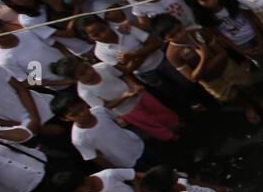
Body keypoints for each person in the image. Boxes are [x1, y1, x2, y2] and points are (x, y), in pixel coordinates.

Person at [151, 14, 263, 125]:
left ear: (181, 24)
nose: (180, 35)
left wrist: (203, 69)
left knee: (247, 84)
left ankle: (259, 98)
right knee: (231, 96)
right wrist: (204, 58)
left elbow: (222, 53)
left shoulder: (198, 32)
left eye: (179, 30)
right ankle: (247, 106)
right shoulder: (172, 54)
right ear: (165, 40)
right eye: (173, 36)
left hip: (226, 68)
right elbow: (192, 78)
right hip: (211, 81)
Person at [77, 14, 202, 113]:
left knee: (187, 82)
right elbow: (127, 70)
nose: (103, 35)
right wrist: (143, 50)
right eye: (96, 35)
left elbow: (156, 43)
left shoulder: (126, 29)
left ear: (106, 24)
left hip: (163, 61)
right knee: (172, 92)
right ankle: (194, 106)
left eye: (103, 29)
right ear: (89, 38)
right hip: (146, 74)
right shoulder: (100, 52)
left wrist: (133, 56)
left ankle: (204, 99)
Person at [51, 56, 181, 142]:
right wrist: (124, 97)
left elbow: (123, 75)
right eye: (82, 74)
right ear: (75, 79)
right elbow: (104, 107)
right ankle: (170, 137)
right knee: (150, 124)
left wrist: (133, 85)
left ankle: (176, 124)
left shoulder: (102, 67)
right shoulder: (84, 92)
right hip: (127, 110)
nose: (89, 72)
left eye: (86, 67)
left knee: (160, 110)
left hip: (139, 95)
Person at [51, 90, 158, 169]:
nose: (82, 114)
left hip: (138, 144)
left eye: (82, 108)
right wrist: (118, 171)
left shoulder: (99, 110)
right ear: (65, 118)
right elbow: (95, 158)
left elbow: (115, 120)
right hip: (126, 162)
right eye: (74, 114)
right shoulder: (79, 138)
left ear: (84, 103)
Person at [0, 0, 91, 55]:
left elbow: (68, 0)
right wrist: (73, 10)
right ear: (10, 2)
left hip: (96, 27)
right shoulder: (28, 20)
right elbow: (69, 33)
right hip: (85, 49)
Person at [0, 12, 73, 89]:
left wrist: (75, 62)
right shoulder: (4, 60)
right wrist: (63, 82)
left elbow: (58, 46)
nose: (0, 31)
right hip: (64, 87)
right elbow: (27, 82)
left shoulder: (28, 32)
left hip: (76, 69)